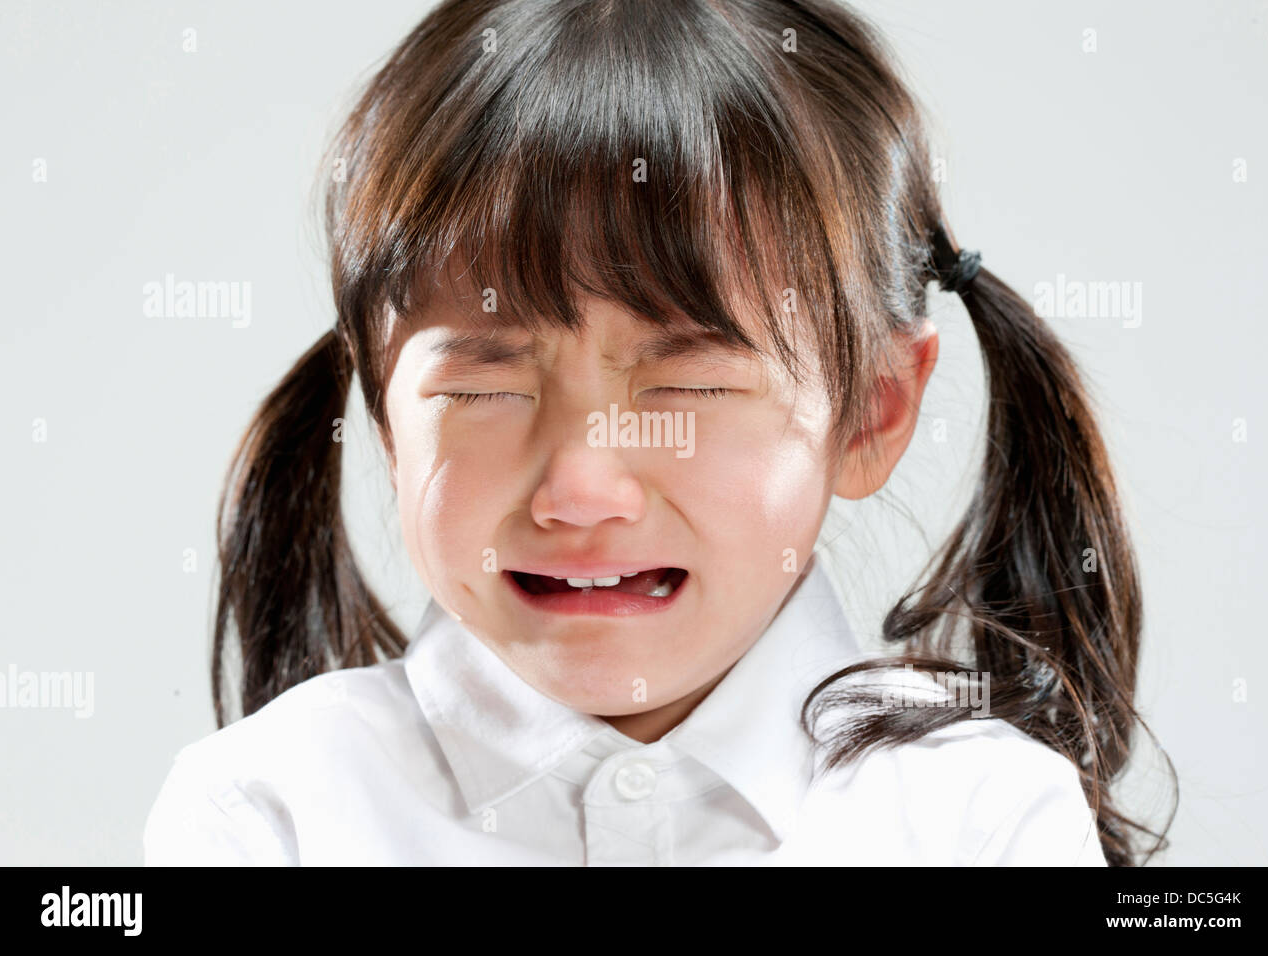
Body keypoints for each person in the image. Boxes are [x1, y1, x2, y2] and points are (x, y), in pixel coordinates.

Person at [144, 0, 1171, 866]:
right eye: (485, 383)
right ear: (382, 410)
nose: (581, 488)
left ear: (871, 412)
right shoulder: (267, 812)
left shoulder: (978, 822)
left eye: (685, 382)